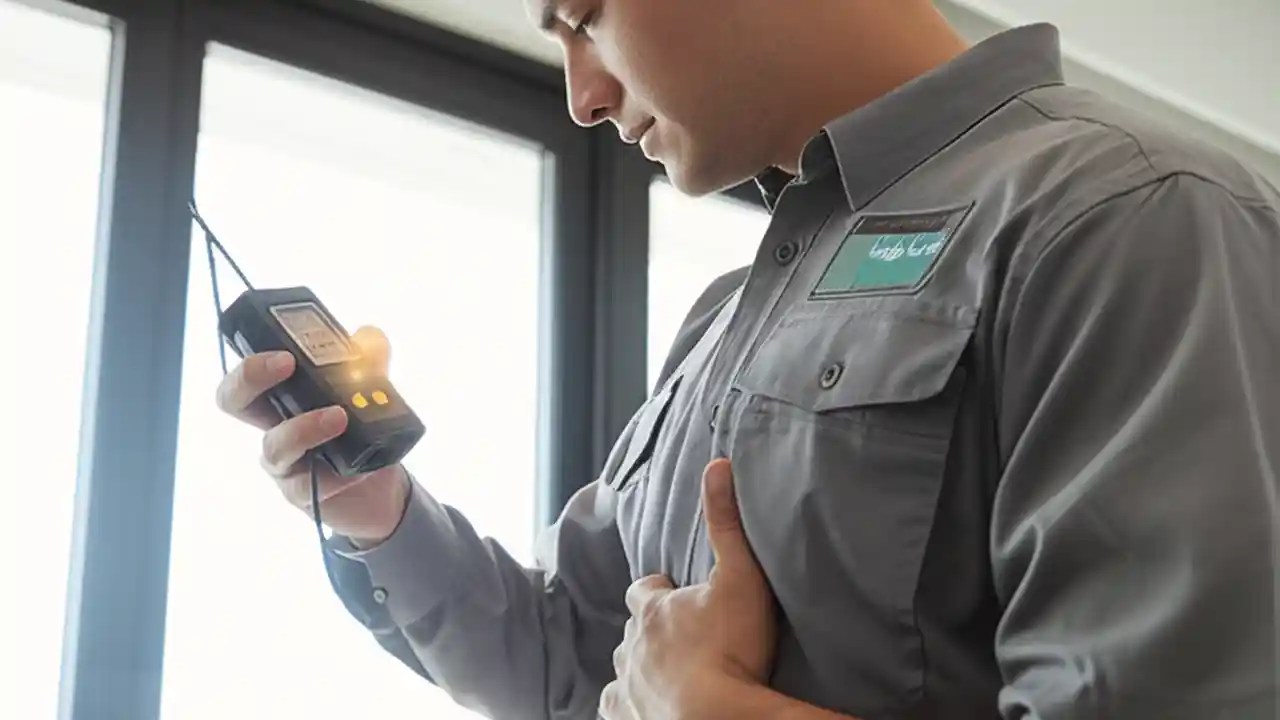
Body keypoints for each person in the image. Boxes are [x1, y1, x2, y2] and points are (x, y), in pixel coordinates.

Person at [215, 1, 1280, 718]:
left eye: (581, 17)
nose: (581, 95)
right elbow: (565, 662)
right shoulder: (725, 316)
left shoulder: (1123, 218)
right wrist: (374, 509)